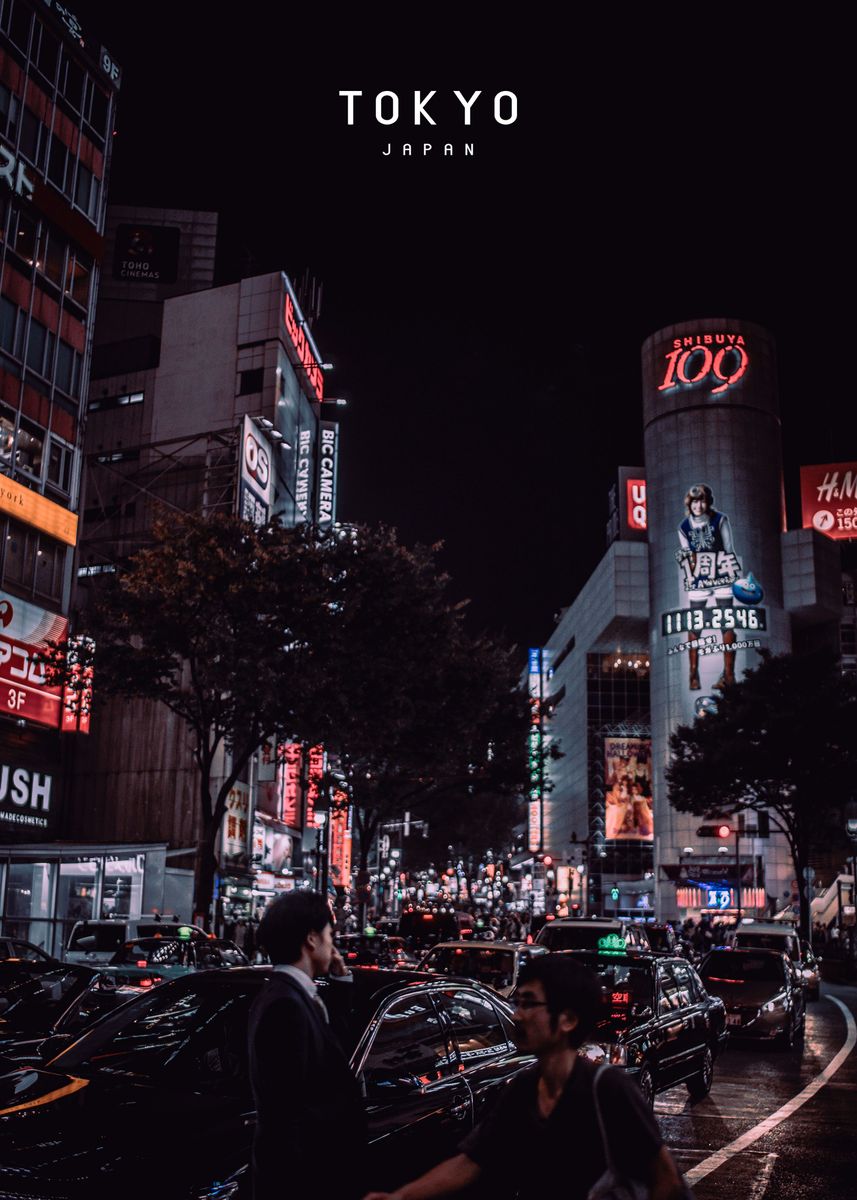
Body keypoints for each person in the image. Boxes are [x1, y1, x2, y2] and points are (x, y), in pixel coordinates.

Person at [362, 956, 686, 1200]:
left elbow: (665, 1178)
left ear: (568, 1020)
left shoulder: (607, 1088)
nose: (517, 1015)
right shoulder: (524, 1088)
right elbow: (472, 1161)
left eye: (529, 1004)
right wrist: (401, 1196)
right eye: (519, 1002)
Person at [248, 891, 367, 1200]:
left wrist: (341, 985)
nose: (333, 944)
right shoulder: (284, 1004)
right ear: (311, 939)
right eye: (330, 935)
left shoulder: (293, 994)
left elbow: (331, 1053)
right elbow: (287, 1111)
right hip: (301, 1179)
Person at [676, 483, 739, 690]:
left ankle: (729, 673)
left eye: (702, 500)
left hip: (721, 572)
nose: (698, 505)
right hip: (699, 576)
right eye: (694, 501)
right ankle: (693, 674)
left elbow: (729, 549)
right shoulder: (684, 527)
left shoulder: (720, 520)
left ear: (708, 502)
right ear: (689, 504)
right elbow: (687, 554)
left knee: (726, 621)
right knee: (695, 623)